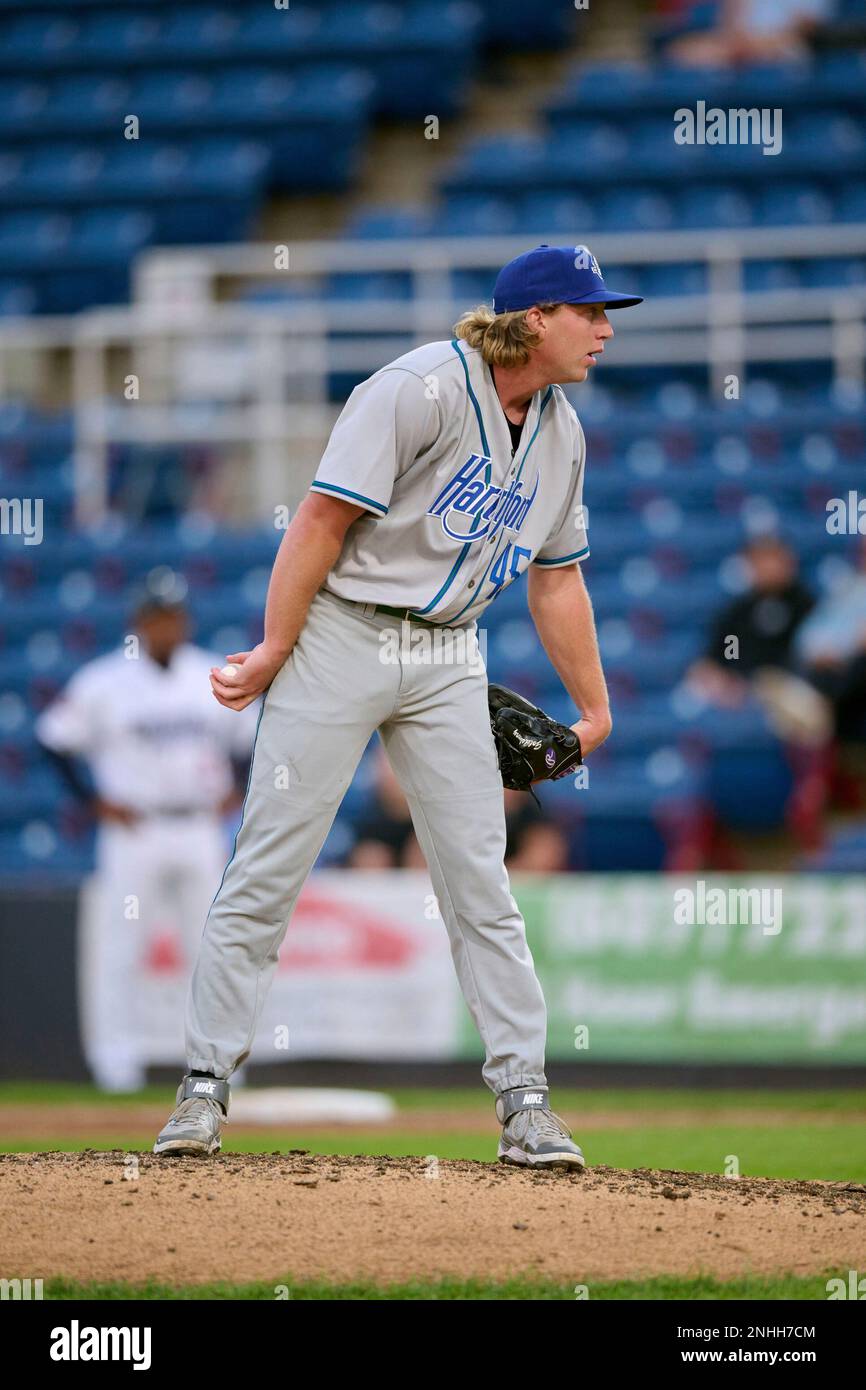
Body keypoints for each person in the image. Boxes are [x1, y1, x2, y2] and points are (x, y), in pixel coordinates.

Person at [153, 244, 642, 1168]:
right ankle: (204, 1089)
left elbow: (559, 580)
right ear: (536, 318)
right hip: (344, 629)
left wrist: (594, 709)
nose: (606, 329)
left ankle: (526, 1101)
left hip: (452, 647)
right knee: (270, 862)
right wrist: (275, 647)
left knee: (480, 879)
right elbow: (319, 524)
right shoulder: (417, 389)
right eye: (591, 311)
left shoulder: (563, 431)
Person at [36, 571, 258, 1092]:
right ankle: (116, 1064)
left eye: (175, 616)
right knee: (119, 946)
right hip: (135, 828)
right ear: (140, 622)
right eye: (158, 617)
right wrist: (93, 802)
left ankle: (219, 1063)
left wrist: (235, 789)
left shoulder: (208, 673)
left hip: (198, 825)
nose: (167, 625)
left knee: (211, 946)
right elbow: (53, 740)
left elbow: (248, 737)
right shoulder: (104, 680)